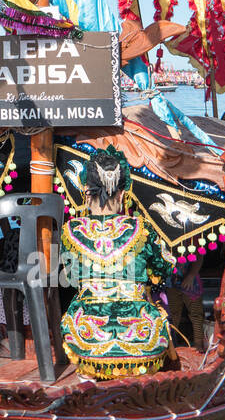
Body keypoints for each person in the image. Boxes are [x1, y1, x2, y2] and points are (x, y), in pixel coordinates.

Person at [59, 148, 173, 378]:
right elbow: (164, 267)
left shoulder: (70, 231)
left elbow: (70, 278)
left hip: (86, 339)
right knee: (158, 310)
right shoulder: (141, 228)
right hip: (143, 338)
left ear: (85, 191)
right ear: (122, 194)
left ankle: (89, 376)